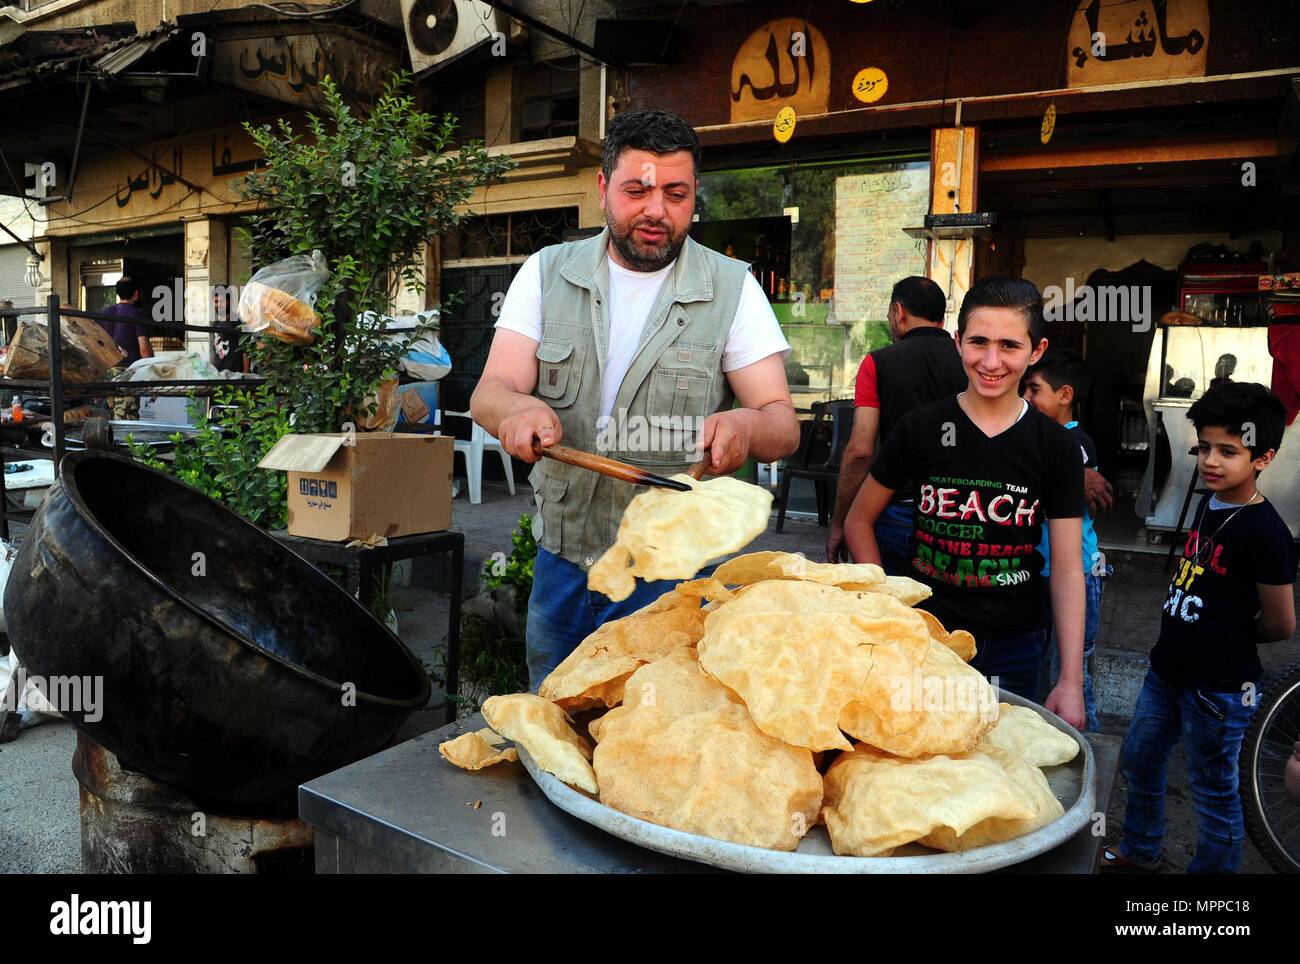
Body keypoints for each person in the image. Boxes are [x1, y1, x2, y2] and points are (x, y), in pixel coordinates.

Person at [471, 108, 800, 690]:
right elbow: (490, 392)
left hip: (671, 576)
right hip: (563, 564)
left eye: (676, 194)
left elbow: (782, 422)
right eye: (637, 190)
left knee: (652, 735)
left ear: (694, 195)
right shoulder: (547, 273)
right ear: (603, 189)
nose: (656, 211)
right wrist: (514, 409)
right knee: (553, 714)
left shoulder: (732, 288)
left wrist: (746, 427)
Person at [843, 276, 1087, 729]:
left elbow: (1070, 569)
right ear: (957, 343)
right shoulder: (921, 427)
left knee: (1005, 772)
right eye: (978, 342)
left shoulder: (1055, 445)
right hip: (929, 635)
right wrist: (890, 609)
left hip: (1017, 643)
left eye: (1009, 346)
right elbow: (860, 521)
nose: (991, 361)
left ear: (1036, 352)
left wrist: (1070, 679)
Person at [1104, 382, 1296, 874]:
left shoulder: (1268, 533)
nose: (1210, 461)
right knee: (1141, 760)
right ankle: (1141, 853)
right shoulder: (1208, 504)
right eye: (1204, 447)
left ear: (1264, 457)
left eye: (1227, 451)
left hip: (1220, 689)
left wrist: (1222, 632)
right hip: (1165, 672)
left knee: (1214, 791)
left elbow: (1280, 623)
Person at [827, 276, 964, 570]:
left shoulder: (878, 362)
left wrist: (840, 521)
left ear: (898, 311)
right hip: (961, 513)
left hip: (896, 510)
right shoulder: (970, 360)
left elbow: (860, 450)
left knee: (892, 608)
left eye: (890, 314)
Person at [1023, 349, 1106, 731]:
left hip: (1077, 572)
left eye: (1034, 389)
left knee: (1072, 667)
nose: (1026, 398)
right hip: (1044, 569)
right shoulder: (1047, 437)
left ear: (1065, 395)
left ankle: (1085, 740)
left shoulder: (1073, 443)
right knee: (1045, 663)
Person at [99, 277, 154, 366]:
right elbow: (144, 350)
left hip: (109, 369)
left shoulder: (105, 312)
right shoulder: (138, 314)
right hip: (131, 370)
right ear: (136, 294)